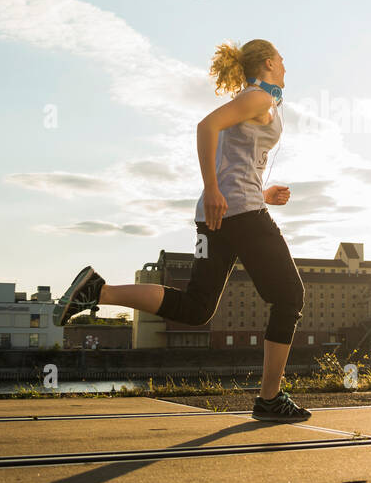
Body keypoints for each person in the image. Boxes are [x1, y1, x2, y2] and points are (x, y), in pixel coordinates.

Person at [57, 39, 310, 422]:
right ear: (271, 63)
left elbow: (234, 159)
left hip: (224, 212)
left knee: (197, 308)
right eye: (283, 61)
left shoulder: (258, 99)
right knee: (289, 296)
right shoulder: (259, 97)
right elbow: (205, 126)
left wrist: (261, 192)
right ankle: (269, 398)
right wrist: (212, 188)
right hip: (237, 211)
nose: (287, 68)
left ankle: (98, 290)